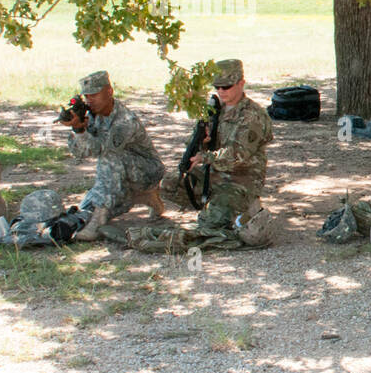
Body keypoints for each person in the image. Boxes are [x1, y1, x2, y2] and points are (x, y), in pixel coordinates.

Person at [163, 59, 274, 240]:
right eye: (217, 87)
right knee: (169, 184)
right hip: (213, 174)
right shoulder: (214, 109)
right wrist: (202, 143)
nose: (221, 91)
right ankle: (217, 207)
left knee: (209, 223)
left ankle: (238, 209)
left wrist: (204, 157)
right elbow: (193, 141)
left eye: (227, 86)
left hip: (240, 179)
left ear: (241, 84)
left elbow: (237, 154)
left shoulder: (253, 115)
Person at [59, 70, 165, 242]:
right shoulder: (95, 114)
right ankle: (144, 197)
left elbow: (101, 149)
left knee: (110, 159)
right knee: (86, 208)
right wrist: (77, 129)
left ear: (109, 91)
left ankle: (98, 220)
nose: (89, 100)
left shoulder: (125, 120)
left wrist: (81, 130)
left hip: (147, 171)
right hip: (120, 174)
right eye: (86, 96)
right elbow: (80, 154)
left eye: (94, 95)